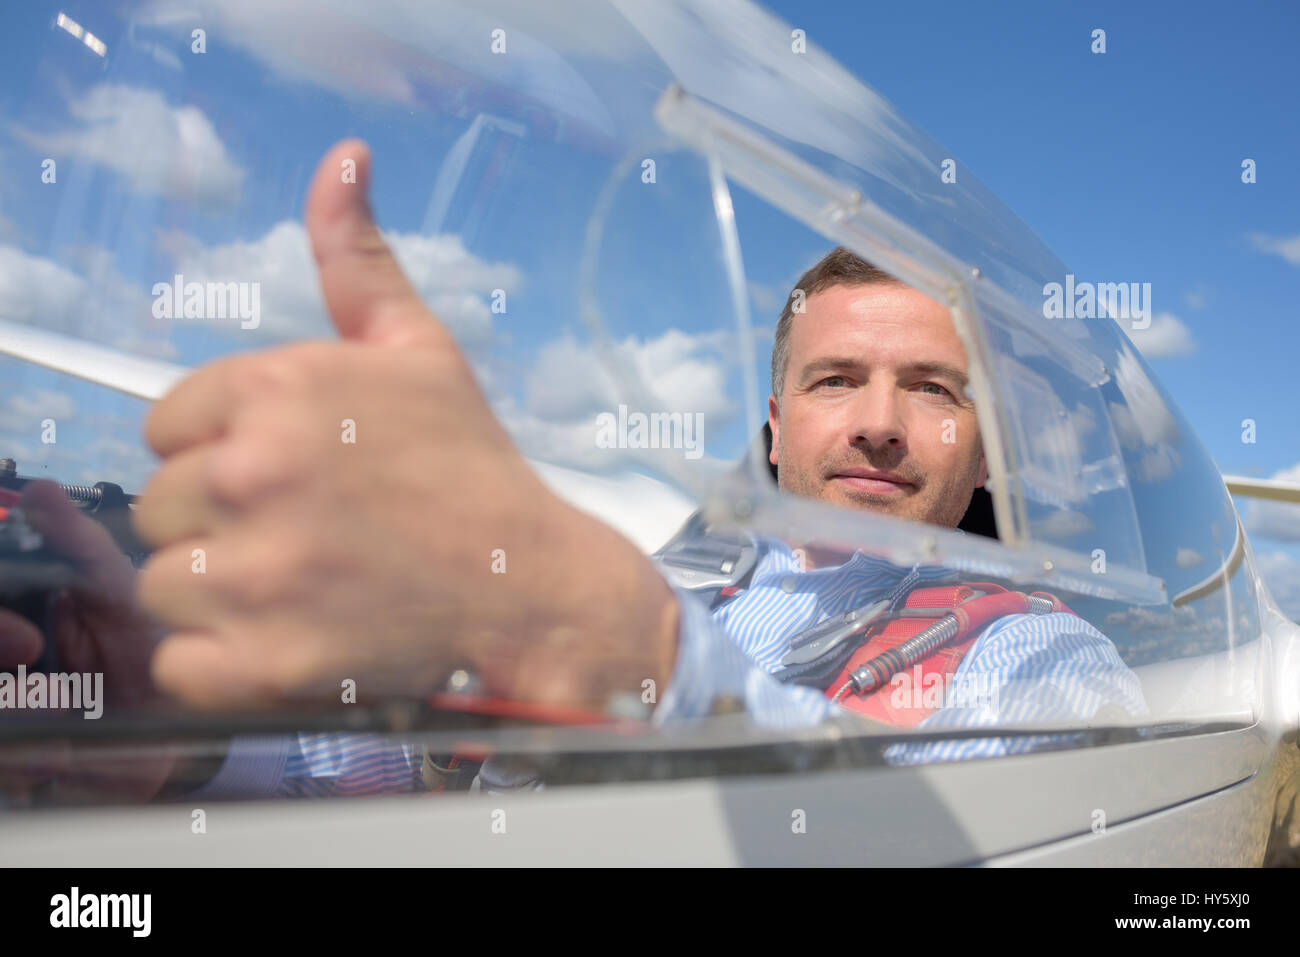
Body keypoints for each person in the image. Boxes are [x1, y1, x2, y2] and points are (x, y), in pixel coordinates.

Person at [0, 140, 1144, 801]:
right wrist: (181, 744)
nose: (879, 424)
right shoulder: (675, 578)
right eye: (836, 380)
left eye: (933, 390)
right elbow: (366, 769)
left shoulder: (1036, 657)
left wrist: (645, 669)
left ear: (982, 445)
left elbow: (946, 835)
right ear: (776, 422)